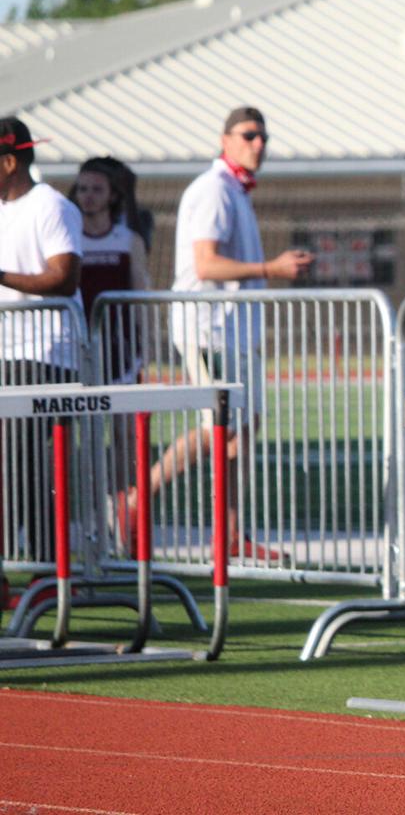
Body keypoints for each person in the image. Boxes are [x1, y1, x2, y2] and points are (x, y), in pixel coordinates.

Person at [124, 107, 314, 564]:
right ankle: (136, 499)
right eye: (249, 135)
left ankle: (229, 533)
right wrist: (271, 269)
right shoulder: (212, 189)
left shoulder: (236, 190)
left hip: (233, 330)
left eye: (263, 136)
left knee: (241, 429)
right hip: (208, 329)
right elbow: (206, 264)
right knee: (224, 432)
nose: (258, 144)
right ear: (225, 139)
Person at [0, 117, 83, 580]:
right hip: (6, 353)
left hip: (45, 355)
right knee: (11, 473)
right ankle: (24, 571)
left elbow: (64, 276)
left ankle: (49, 574)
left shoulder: (51, 205)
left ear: (10, 161)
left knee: (37, 475)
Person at [69, 157, 153, 553]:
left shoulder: (126, 241)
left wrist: (146, 354)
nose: (88, 197)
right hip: (76, 356)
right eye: (83, 188)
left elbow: (140, 299)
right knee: (76, 443)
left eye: (97, 189)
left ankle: (125, 523)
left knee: (124, 443)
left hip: (120, 357)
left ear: (113, 195)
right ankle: (83, 528)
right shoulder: (67, 238)